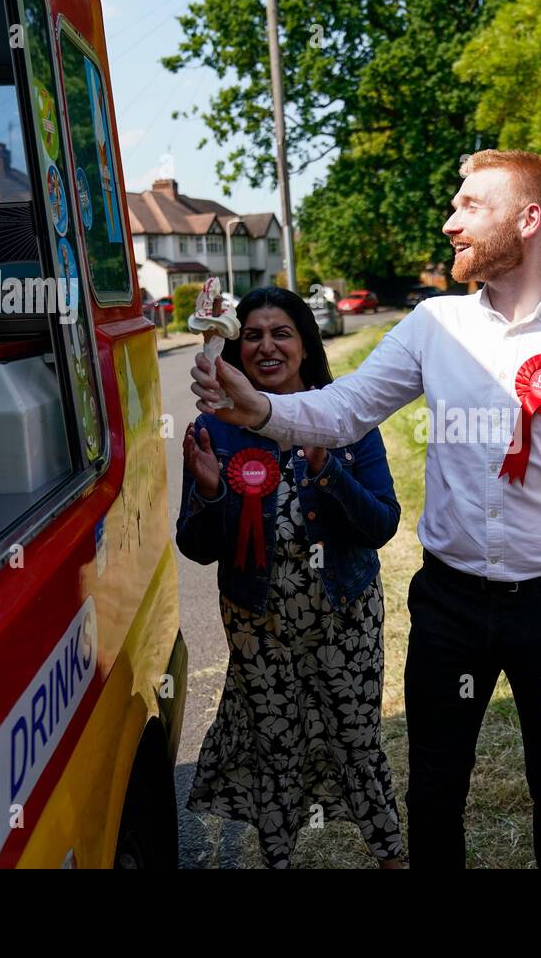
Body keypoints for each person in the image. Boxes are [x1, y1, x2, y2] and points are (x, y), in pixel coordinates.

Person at [192, 150, 541, 868]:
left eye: (470, 205)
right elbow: (343, 409)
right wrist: (256, 408)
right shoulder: (433, 323)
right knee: (435, 789)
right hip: (447, 604)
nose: (449, 222)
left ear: (529, 219)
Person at [176, 286, 404, 869]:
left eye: (282, 333)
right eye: (251, 335)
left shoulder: (343, 417)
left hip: (344, 611)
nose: (266, 346)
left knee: (355, 739)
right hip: (257, 619)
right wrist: (208, 491)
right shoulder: (216, 427)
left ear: (305, 345)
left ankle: (391, 855)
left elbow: (382, 524)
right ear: (236, 348)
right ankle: (277, 858)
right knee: (274, 746)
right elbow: (196, 547)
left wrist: (326, 467)